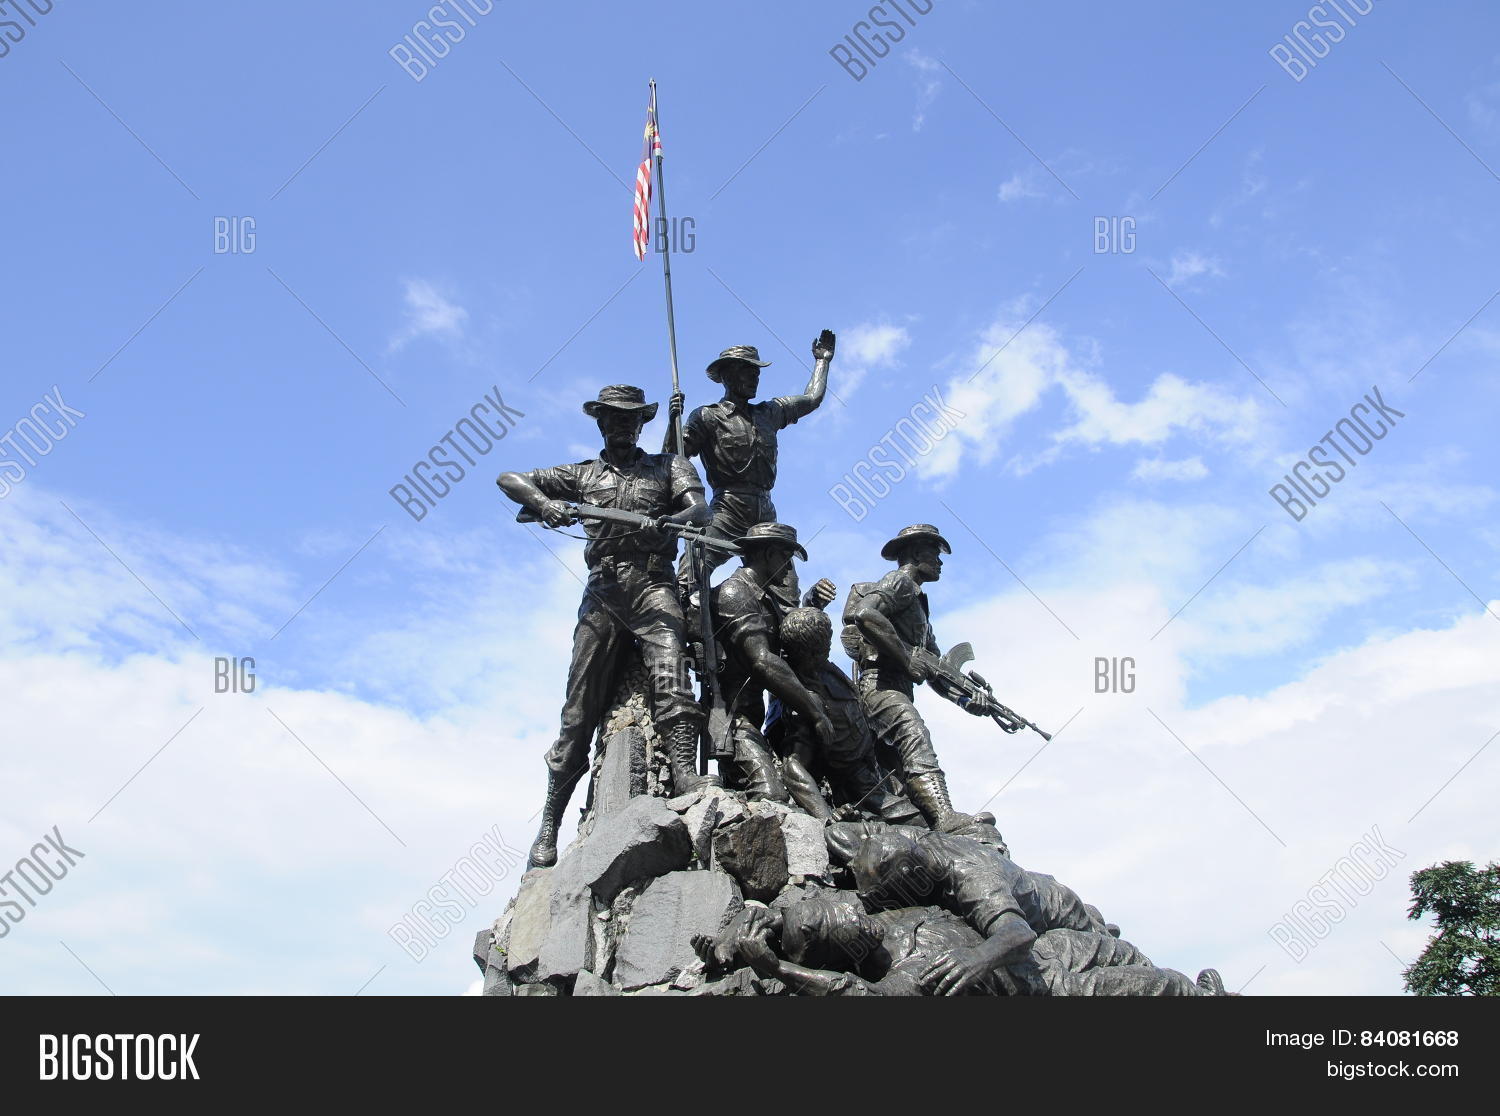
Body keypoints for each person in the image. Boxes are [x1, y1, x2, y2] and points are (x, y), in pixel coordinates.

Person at [496, 385, 713, 869]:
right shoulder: (581, 474)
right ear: (600, 423)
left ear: (642, 423)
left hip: (654, 582)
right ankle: (549, 820)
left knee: (671, 670)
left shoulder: (668, 467)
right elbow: (508, 478)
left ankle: (682, 771)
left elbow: (703, 510)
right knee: (578, 706)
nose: (621, 425)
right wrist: (545, 503)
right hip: (604, 588)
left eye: (630, 418)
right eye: (612, 418)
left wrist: (670, 521)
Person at [824, 822, 1229, 996]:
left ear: (914, 879)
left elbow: (1018, 935)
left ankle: (1193, 994)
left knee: (1112, 963)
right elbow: (842, 835)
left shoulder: (974, 879)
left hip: (1053, 914)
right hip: (1033, 927)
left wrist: (976, 958)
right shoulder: (902, 841)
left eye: (887, 898)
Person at [666, 335, 834, 608]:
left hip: (766, 513)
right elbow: (674, 460)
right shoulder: (707, 416)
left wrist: (822, 361)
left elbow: (812, 398)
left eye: (757, 372)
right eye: (747, 370)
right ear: (726, 376)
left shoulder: (770, 412)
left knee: (786, 592)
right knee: (690, 575)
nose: (755, 377)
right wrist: (672, 421)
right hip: (726, 510)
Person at [844, 524, 986, 830]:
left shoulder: (919, 605)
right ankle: (945, 816)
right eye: (934, 553)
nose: (940, 561)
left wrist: (965, 699)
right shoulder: (900, 582)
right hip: (879, 687)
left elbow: (936, 668)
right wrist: (906, 658)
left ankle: (922, 827)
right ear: (913, 552)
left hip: (897, 689)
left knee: (894, 779)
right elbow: (866, 614)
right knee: (915, 735)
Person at [711, 523, 836, 810]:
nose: (789, 568)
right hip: (735, 723)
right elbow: (764, 661)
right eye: (786, 558)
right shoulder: (736, 593)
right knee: (772, 795)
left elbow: (786, 635)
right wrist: (814, 711)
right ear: (768, 554)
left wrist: (811, 603)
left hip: (756, 723)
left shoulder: (764, 597)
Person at [768, 607, 925, 826]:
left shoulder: (827, 672)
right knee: (918, 822)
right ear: (813, 652)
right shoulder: (805, 700)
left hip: (876, 766)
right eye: (826, 645)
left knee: (919, 812)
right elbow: (793, 767)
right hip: (858, 785)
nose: (830, 648)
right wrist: (825, 816)